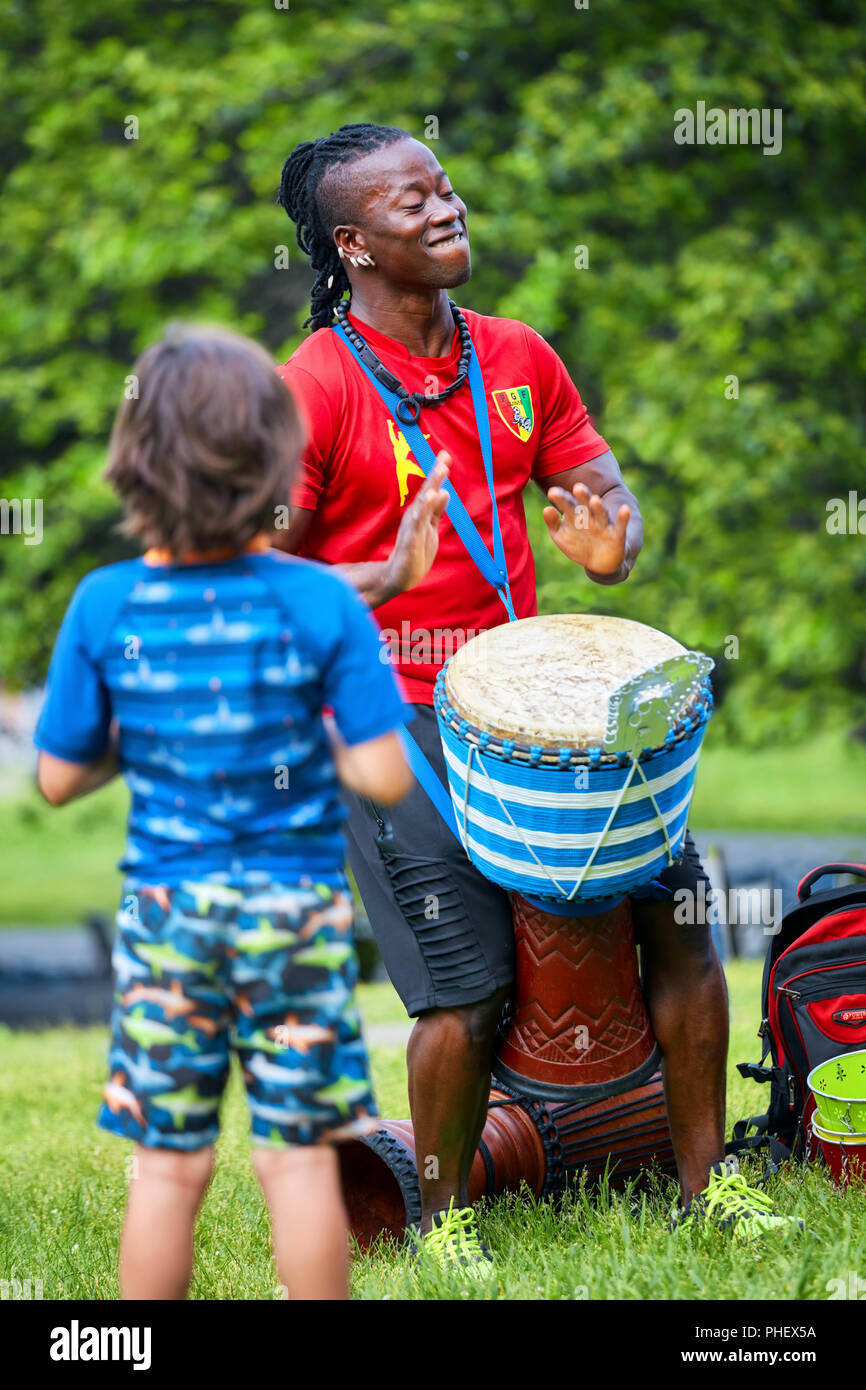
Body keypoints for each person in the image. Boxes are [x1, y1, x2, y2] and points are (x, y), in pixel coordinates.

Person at [274, 123, 802, 1269]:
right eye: (411, 202)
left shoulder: (514, 354)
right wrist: (380, 580)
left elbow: (601, 491)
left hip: (541, 702)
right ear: (352, 242)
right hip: (387, 716)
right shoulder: (310, 390)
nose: (446, 208)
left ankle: (708, 1191)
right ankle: (446, 1218)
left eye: (447, 188)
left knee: (677, 925)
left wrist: (612, 547)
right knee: (463, 992)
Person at [33, 323, 434, 1300]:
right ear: (276, 462)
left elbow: (57, 778)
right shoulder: (318, 602)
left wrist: (166, 729)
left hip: (166, 919)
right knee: (297, 1159)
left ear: (136, 461)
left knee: (168, 1166)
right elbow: (384, 777)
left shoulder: (103, 603)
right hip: (290, 916)